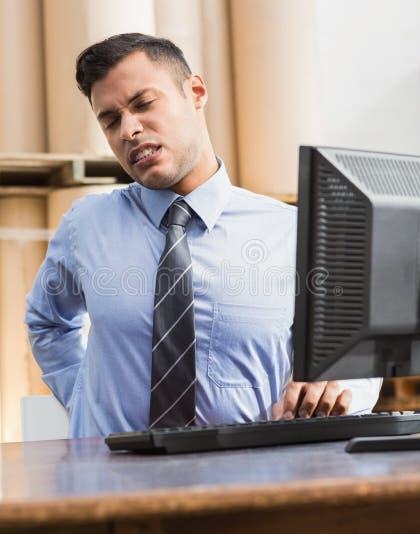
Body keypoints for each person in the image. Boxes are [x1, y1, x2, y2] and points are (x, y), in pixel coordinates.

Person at [25, 33, 381, 438]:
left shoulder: (293, 233)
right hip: (114, 484)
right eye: (110, 120)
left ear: (195, 92)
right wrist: (85, 398)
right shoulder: (86, 225)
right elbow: (47, 323)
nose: (129, 129)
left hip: (250, 478)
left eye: (143, 104)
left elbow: (361, 356)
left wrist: (338, 386)